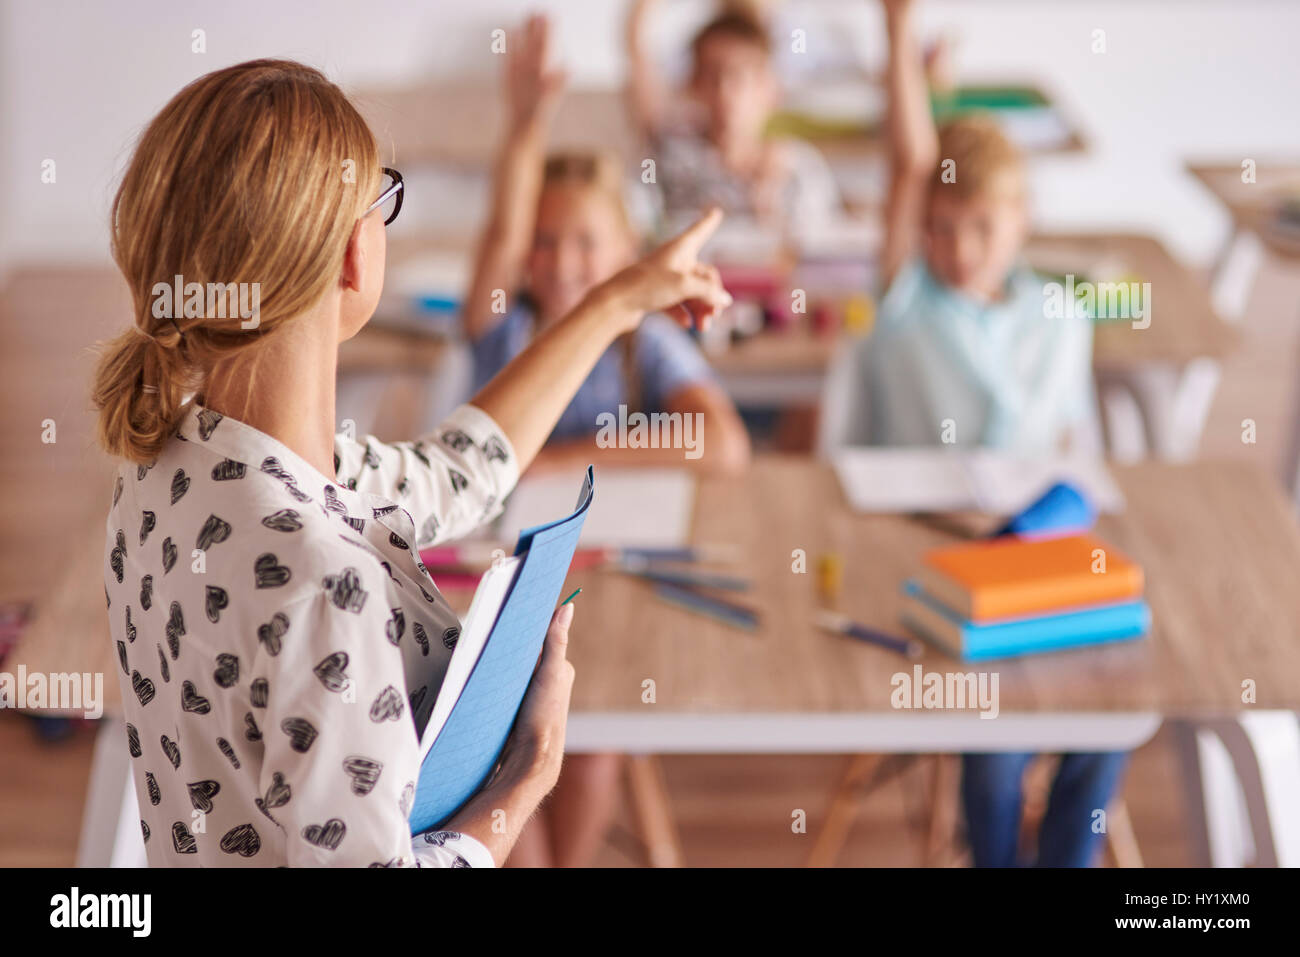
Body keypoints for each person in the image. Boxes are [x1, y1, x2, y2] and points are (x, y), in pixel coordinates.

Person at [92, 57, 731, 868]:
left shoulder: (171, 460)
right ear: (355, 257)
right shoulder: (327, 582)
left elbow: (457, 470)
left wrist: (616, 301)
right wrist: (524, 781)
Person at [831, 0, 1121, 866]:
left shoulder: (1057, 315)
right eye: (942, 228)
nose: (959, 249)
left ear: (1023, 221)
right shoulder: (906, 301)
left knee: (1111, 712)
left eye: (982, 228)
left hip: (1032, 552)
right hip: (924, 550)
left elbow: (1075, 446)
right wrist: (898, 44)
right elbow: (911, 163)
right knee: (993, 725)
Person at [463, 14, 751, 478]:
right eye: (542, 240)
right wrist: (525, 126)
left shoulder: (647, 341)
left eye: (586, 243)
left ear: (627, 250)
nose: (561, 262)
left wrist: (560, 461)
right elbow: (503, 234)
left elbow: (723, 443)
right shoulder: (502, 328)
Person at [626, 0, 841, 231]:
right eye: (712, 76)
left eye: (740, 76)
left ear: (769, 87)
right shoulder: (666, 159)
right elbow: (638, 230)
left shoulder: (799, 170)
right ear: (693, 84)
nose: (725, 92)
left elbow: (819, 251)